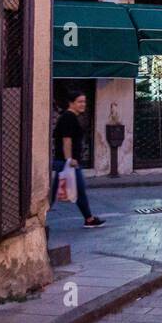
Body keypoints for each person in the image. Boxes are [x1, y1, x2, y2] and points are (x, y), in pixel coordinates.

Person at [51, 90, 105, 228]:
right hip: (66, 162)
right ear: (71, 103)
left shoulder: (70, 117)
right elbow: (66, 140)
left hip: (65, 162)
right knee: (63, 192)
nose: (83, 104)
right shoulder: (68, 117)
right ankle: (89, 219)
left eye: (84, 101)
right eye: (80, 102)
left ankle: (89, 219)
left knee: (73, 191)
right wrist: (70, 159)